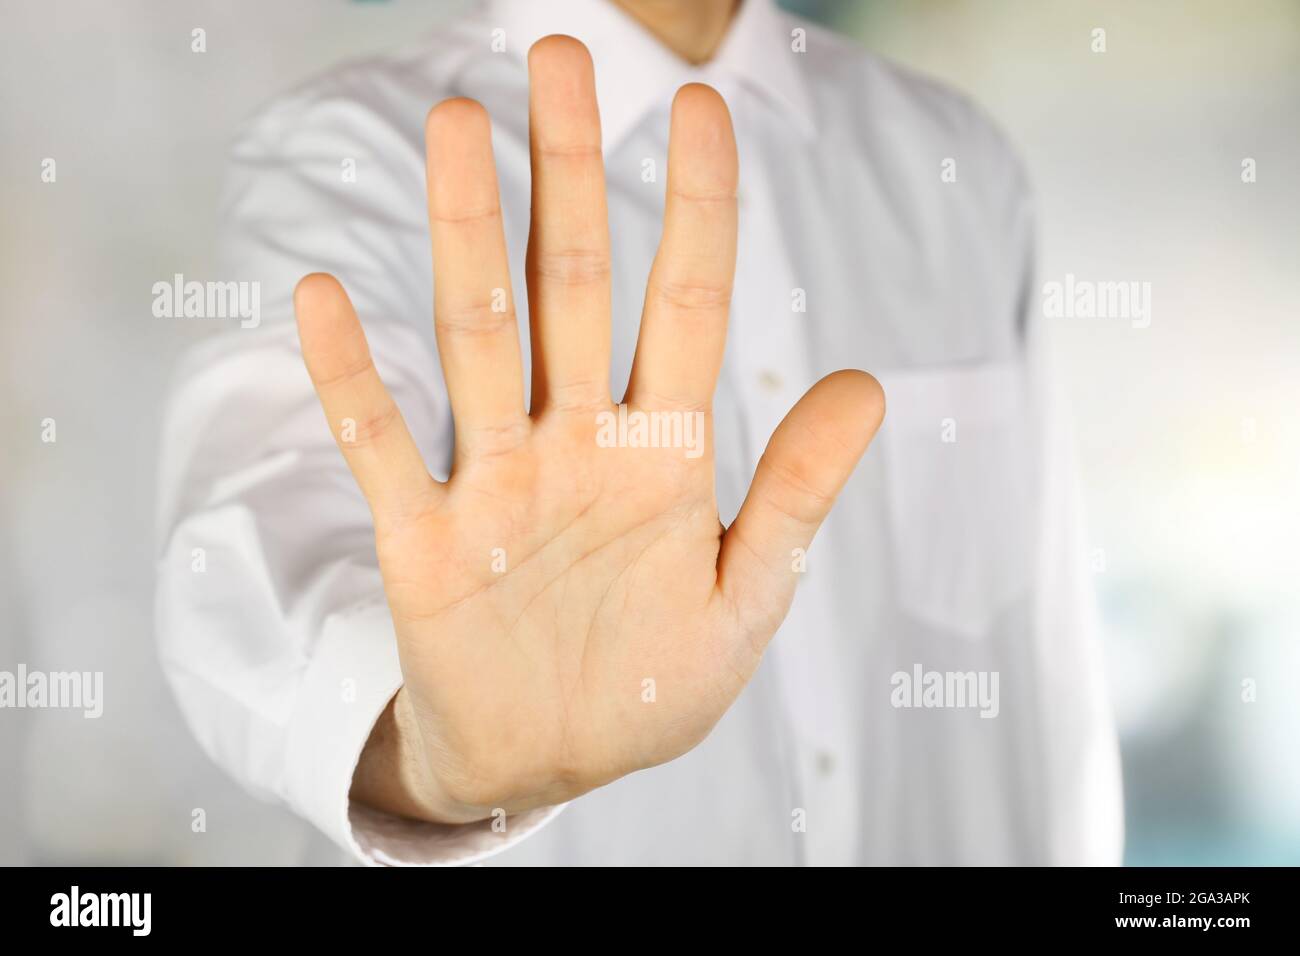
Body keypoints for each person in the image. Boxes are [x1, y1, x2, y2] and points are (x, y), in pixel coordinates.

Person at [155, 0, 1122, 865]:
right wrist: (435, 762)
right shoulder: (351, 153)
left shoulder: (955, 161)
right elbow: (251, 560)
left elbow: (1049, 663)